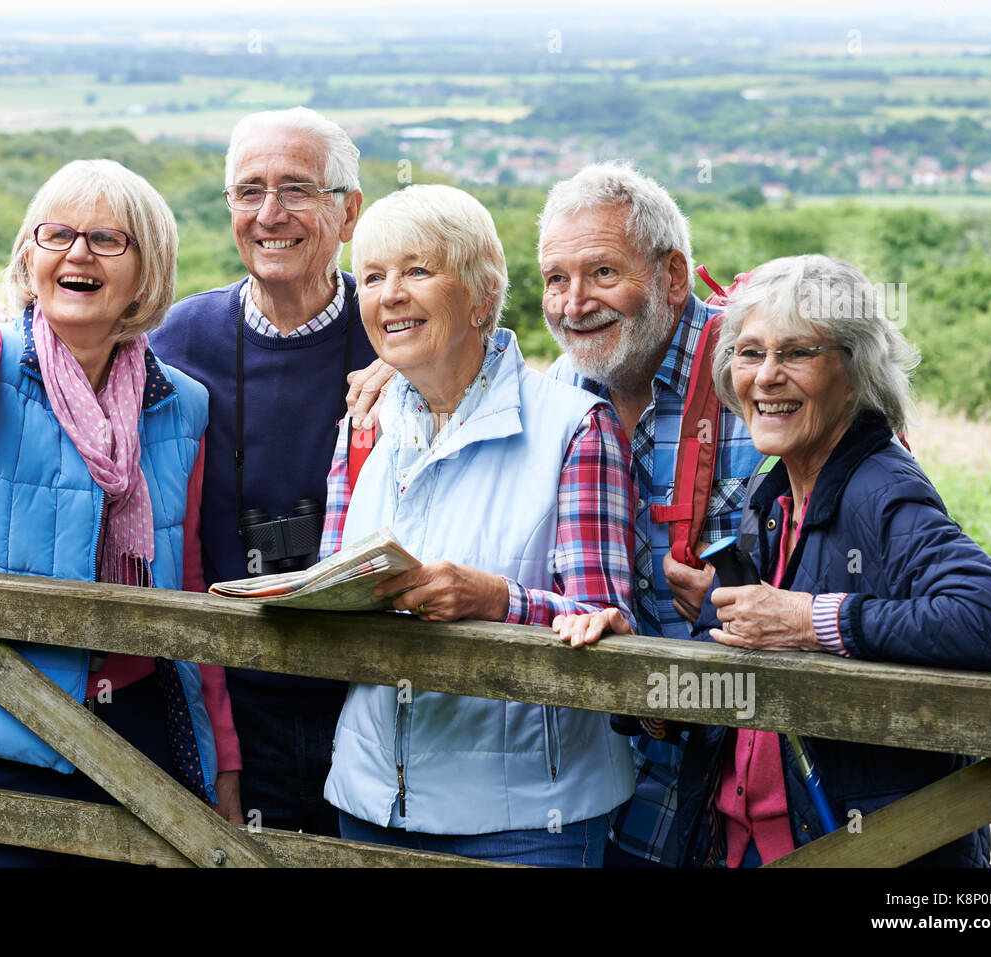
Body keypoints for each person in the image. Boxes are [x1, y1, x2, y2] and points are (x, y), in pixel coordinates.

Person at [555, 254, 991, 867]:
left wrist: (812, 621)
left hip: (865, 850)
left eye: (798, 353)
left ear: (857, 370)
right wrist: (658, 703)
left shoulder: (881, 486)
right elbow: (758, 668)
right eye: (750, 353)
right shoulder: (776, 496)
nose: (765, 377)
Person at [348, 161, 762, 865]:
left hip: (764, 746)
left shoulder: (760, 378)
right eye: (555, 280)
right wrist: (417, 357)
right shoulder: (568, 384)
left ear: (672, 277)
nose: (574, 303)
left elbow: (860, 525)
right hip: (629, 753)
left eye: (603, 273)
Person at [0, 159, 240, 866]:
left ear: (147, 274)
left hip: (136, 729)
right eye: (56, 234)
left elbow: (190, 583)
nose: (78, 252)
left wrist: (222, 756)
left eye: (107, 239)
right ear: (30, 255)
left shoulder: (183, 403)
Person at [321, 183, 635, 867]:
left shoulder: (574, 428)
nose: (390, 294)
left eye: (417, 270)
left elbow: (605, 623)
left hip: (528, 821)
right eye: (372, 276)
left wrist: (497, 600)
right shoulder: (362, 425)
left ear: (482, 297)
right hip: (370, 800)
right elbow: (333, 583)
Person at [149, 108, 376, 837]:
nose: (269, 214)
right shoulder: (182, 336)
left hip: (378, 692)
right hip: (235, 696)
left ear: (348, 211)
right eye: (249, 192)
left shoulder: (395, 328)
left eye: (295, 190)